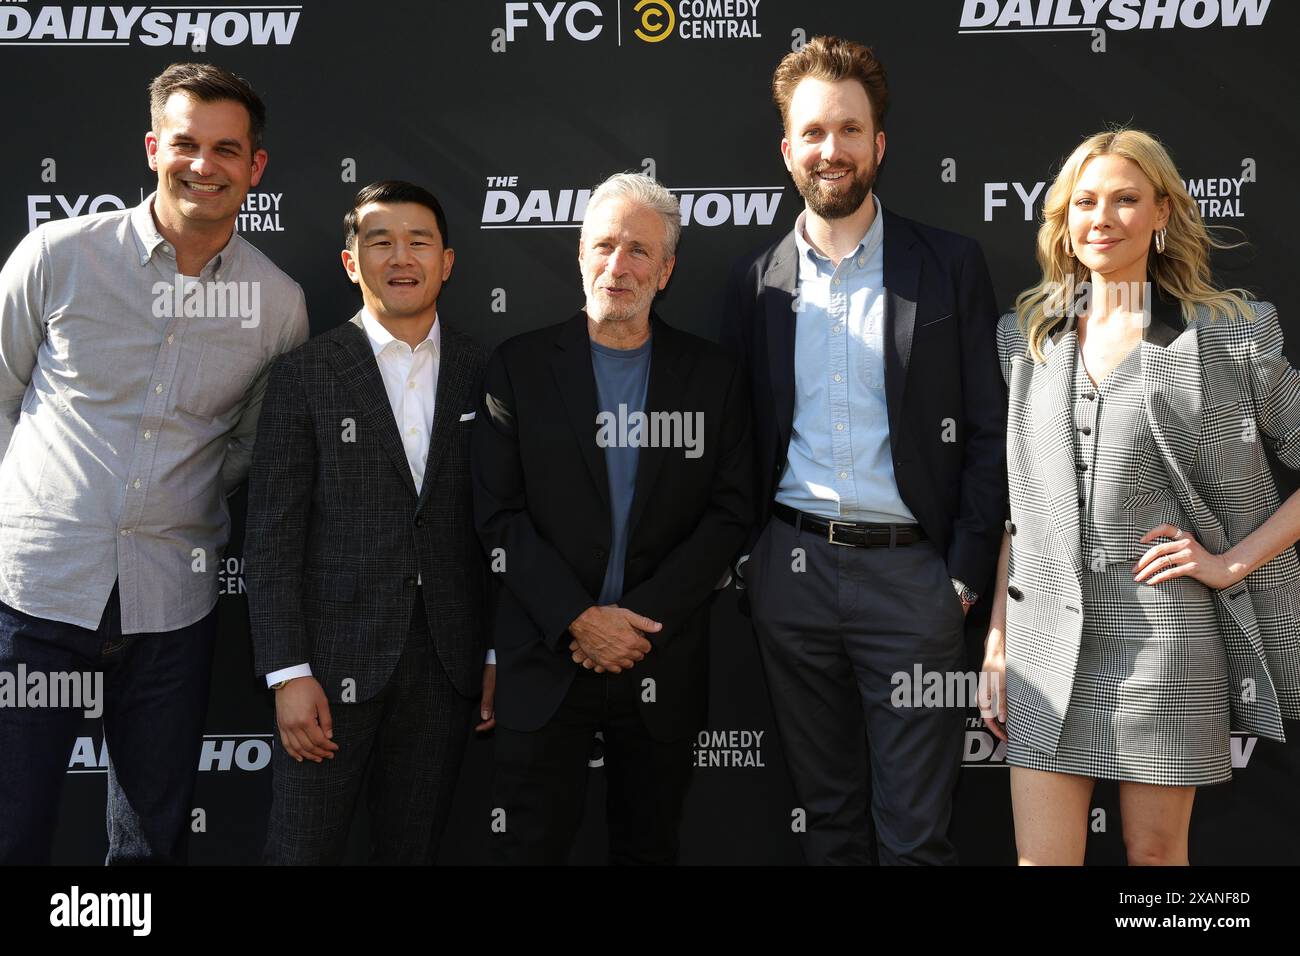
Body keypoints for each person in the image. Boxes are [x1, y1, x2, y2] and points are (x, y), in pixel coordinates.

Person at [0, 63, 308, 864]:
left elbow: (249, 445)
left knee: (146, 846)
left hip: (172, 604)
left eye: (227, 149)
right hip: (32, 597)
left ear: (256, 167)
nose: (203, 165)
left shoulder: (277, 304)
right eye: (185, 144)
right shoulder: (57, 256)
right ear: (151, 148)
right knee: (11, 827)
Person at [722, 35, 1007, 865]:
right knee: (829, 825)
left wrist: (959, 580)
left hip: (914, 582)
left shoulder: (949, 266)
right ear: (787, 150)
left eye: (849, 130)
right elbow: (739, 437)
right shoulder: (754, 281)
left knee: (916, 836)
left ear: (879, 144)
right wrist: (754, 565)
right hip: (792, 579)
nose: (831, 149)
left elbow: (988, 429)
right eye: (812, 132)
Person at [982, 128, 1300, 865]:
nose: (1103, 217)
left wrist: (1229, 563)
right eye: (1085, 201)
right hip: (1044, 639)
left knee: (1156, 859)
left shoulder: (1228, 335)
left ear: (1162, 213)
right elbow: (1018, 513)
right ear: (1064, 220)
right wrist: (998, 643)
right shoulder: (1026, 341)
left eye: (1126, 199)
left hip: (1166, 635)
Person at [473, 172, 752, 865]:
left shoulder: (713, 377)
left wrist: (635, 623)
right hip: (546, 659)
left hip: (659, 657)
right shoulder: (519, 368)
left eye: (637, 251)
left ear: (667, 269)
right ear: (578, 254)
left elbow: (730, 513)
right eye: (603, 246)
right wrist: (580, 618)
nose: (617, 266)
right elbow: (498, 515)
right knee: (529, 848)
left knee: (649, 847)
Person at [244, 180, 493, 865]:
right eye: (380, 241)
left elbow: (502, 528)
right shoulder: (304, 376)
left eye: (419, 241)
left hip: (447, 667)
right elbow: (271, 537)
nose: (400, 256)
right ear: (352, 262)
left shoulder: (486, 371)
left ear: (447, 261)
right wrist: (288, 674)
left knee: (411, 852)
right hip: (327, 674)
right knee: (299, 852)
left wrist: (495, 652)